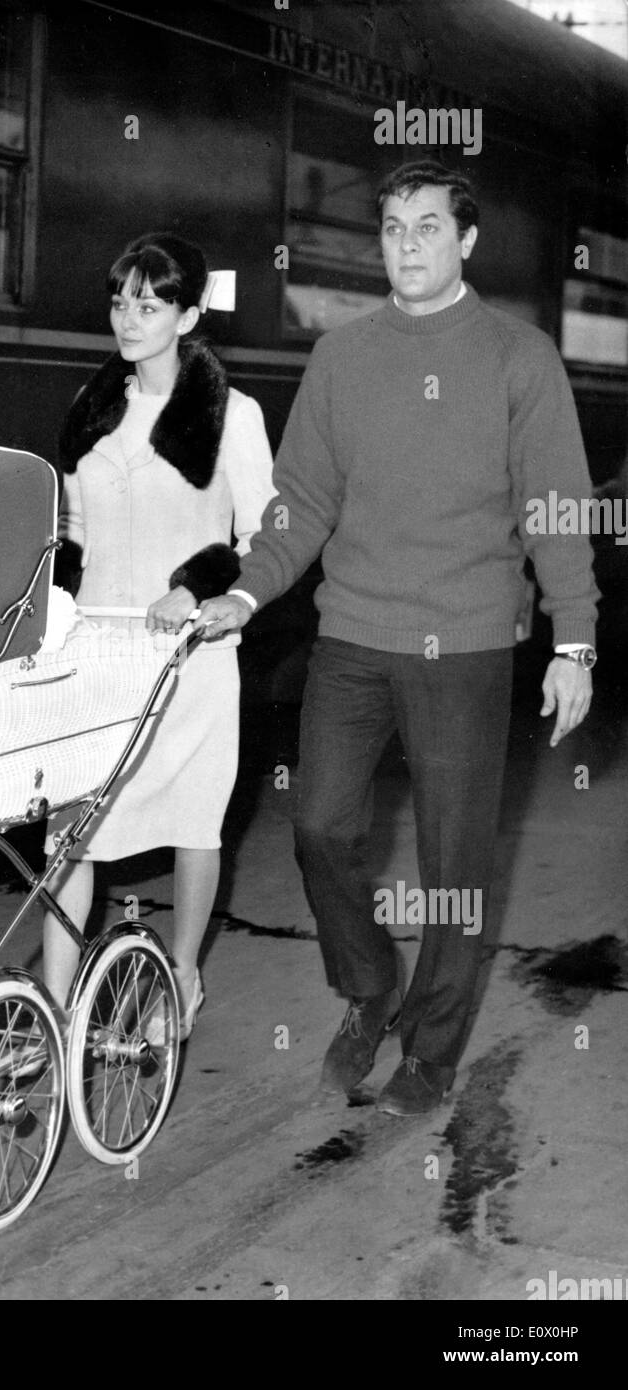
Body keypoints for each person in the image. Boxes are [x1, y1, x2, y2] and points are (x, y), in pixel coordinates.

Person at [198, 161, 598, 1115]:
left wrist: (574, 641)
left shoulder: (519, 355)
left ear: (465, 242)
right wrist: (247, 596)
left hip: (463, 641)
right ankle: (370, 986)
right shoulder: (343, 357)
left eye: (427, 227)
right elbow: (301, 506)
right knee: (320, 825)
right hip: (355, 633)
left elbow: (554, 507)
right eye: (391, 228)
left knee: (456, 862)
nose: (407, 244)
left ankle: (432, 1048)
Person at [42, 232, 275, 1037]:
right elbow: (66, 527)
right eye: (120, 300)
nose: (130, 318)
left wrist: (198, 589)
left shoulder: (232, 415)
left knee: (193, 821)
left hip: (189, 659)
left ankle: (180, 975)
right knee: (68, 835)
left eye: (151, 302)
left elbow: (263, 536)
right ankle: (56, 1010)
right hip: (95, 652)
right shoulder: (92, 407)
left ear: (189, 313)